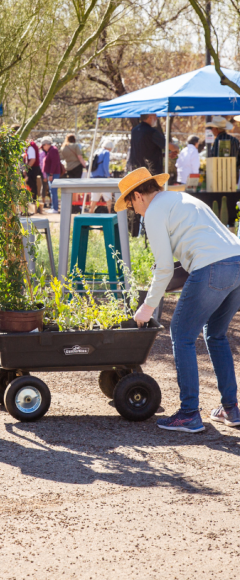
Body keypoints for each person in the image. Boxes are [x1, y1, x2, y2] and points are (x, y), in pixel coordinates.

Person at [118, 167, 240, 432]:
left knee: (181, 334)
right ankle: (231, 409)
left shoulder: (153, 211)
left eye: (130, 205)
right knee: (215, 334)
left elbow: (163, 268)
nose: (134, 211)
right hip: (237, 263)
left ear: (138, 195)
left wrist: (147, 307)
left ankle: (188, 413)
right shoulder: (181, 199)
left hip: (212, 266)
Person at [87, 138, 113, 213]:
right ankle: (109, 213)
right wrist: (108, 175)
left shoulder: (97, 151)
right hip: (102, 178)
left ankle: (90, 213)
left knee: (94, 198)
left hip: (93, 177)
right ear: (110, 147)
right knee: (108, 197)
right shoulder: (106, 153)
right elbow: (105, 165)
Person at [40, 137, 62, 213]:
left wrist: (51, 174)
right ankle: (53, 207)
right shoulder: (50, 150)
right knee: (52, 190)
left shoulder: (53, 150)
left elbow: (54, 163)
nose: (43, 148)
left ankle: (55, 208)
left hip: (54, 173)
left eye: (43, 146)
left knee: (53, 190)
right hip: (51, 173)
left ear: (46, 144)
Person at [23, 138, 42, 204]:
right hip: (32, 167)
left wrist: (26, 169)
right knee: (31, 184)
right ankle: (32, 199)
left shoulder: (30, 147)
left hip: (32, 168)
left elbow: (32, 160)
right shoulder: (29, 146)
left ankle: (33, 200)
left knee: (31, 184)